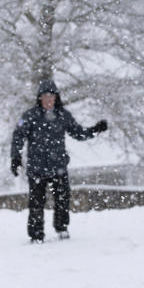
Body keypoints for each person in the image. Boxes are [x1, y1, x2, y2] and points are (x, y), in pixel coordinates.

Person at [11, 80, 108, 243]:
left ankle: (62, 228)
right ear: (39, 98)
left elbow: (79, 133)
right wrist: (15, 157)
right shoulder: (29, 116)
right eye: (45, 96)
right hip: (37, 168)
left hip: (58, 167)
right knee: (36, 203)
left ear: (56, 98)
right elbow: (18, 136)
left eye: (52, 96)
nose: (49, 100)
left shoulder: (63, 116)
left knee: (62, 200)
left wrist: (95, 130)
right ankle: (36, 234)